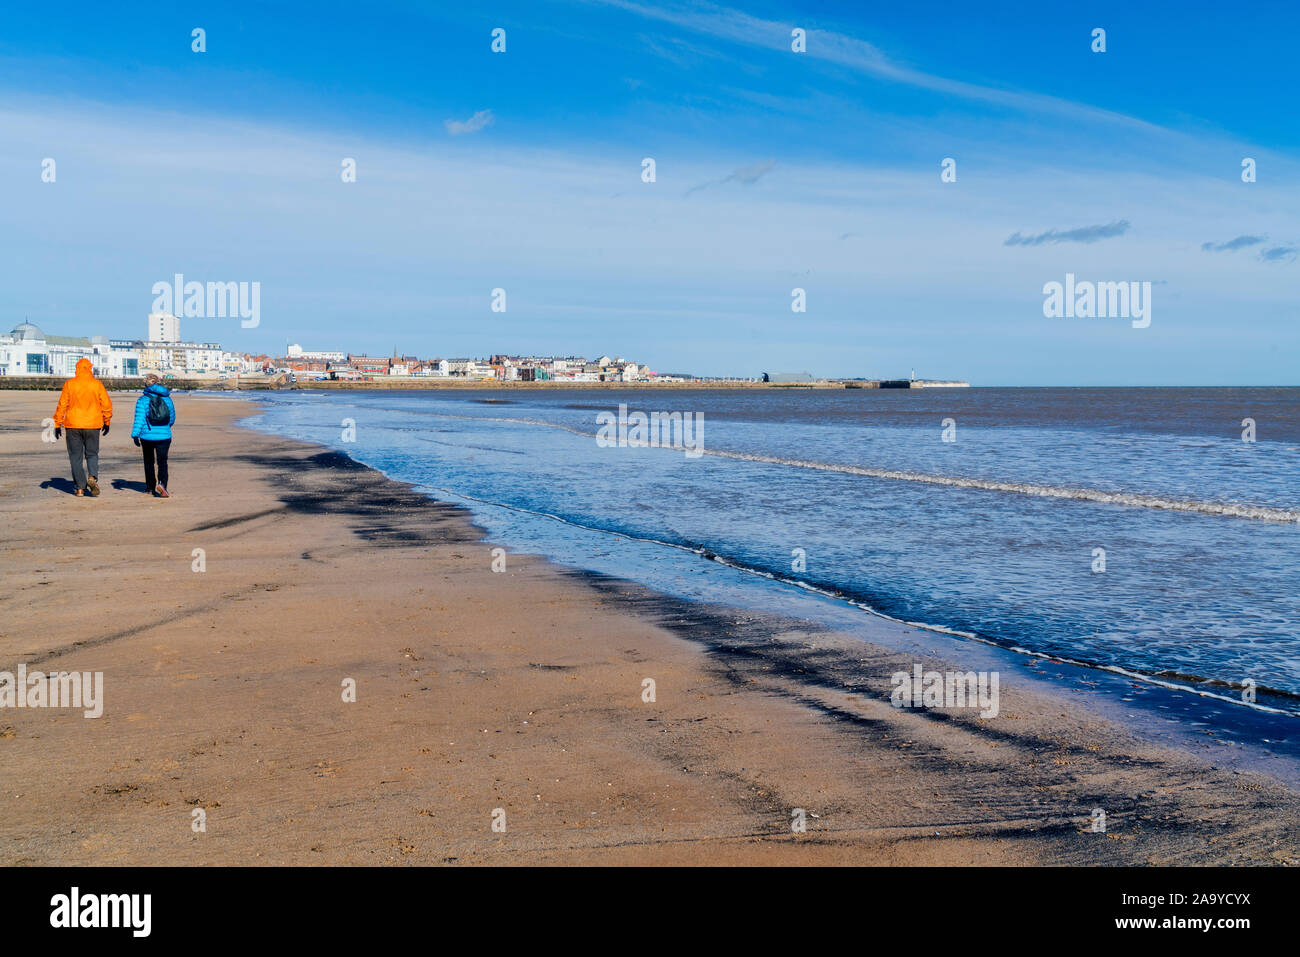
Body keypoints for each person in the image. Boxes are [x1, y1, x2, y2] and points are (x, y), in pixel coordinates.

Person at [52, 357, 113, 497]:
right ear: (89, 368)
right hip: (92, 424)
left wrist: (57, 424)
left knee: (75, 457)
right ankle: (92, 477)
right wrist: (107, 421)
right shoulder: (96, 384)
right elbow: (106, 404)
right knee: (92, 454)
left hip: (73, 425)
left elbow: (62, 405)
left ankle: (80, 488)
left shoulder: (70, 384)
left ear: (77, 368)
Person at [130, 373, 177, 497]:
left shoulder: (142, 400)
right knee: (162, 462)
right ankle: (162, 485)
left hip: (147, 436)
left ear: (146, 384)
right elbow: (171, 418)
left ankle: (150, 487)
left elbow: (139, 420)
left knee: (149, 462)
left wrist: (135, 435)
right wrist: (166, 427)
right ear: (158, 383)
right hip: (164, 435)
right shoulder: (167, 398)